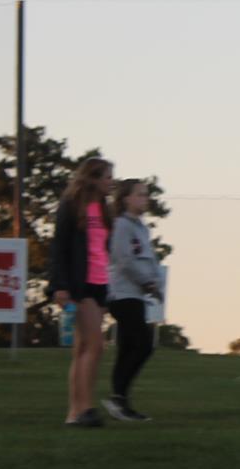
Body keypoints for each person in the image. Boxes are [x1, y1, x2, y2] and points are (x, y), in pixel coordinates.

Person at [50, 156, 116, 428]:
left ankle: (75, 412)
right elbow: (59, 246)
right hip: (81, 283)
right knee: (95, 345)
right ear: (93, 178)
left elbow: (104, 248)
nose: (111, 182)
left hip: (100, 283)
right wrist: (60, 285)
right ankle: (84, 407)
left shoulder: (104, 209)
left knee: (84, 348)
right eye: (107, 177)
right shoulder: (72, 205)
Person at [103, 178, 165, 422]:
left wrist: (155, 282)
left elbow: (149, 260)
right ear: (126, 198)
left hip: (136, 295)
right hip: (122, 294)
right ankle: (118, 398)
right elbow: (124, 260)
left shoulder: (141, 228)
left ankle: (120, 399)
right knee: (143, 344)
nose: (145, 199)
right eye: (140, 194)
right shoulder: (121, 225)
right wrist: (146, 282)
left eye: (146, 194)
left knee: (129, 347)